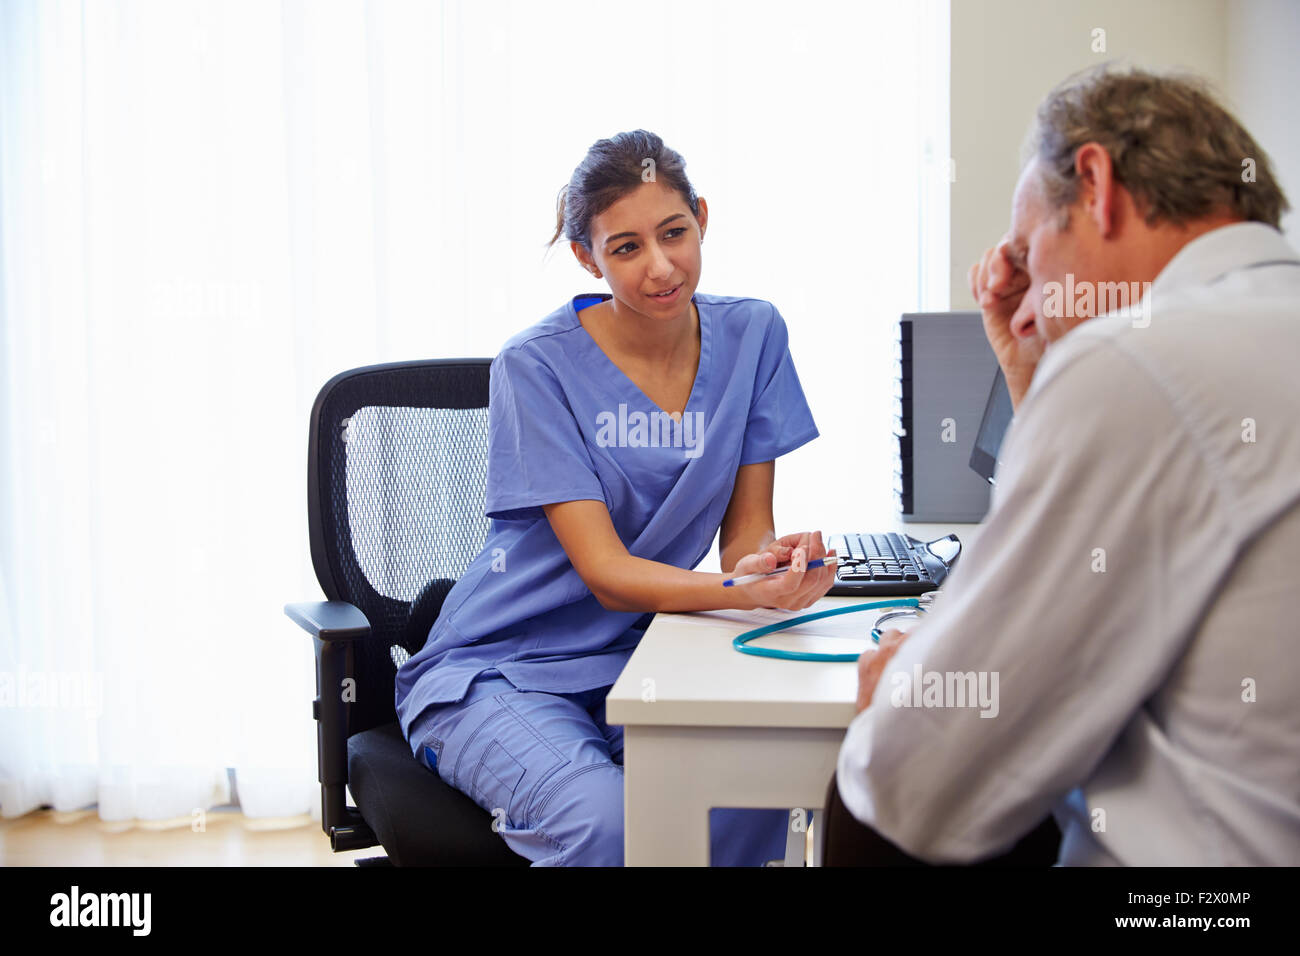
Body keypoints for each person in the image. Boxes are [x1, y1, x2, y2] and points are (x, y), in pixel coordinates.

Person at [832, 64, 1300, 865]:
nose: (1031, 296)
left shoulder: (1141, 360)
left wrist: (908, 687)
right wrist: (1033, 378)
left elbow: (920, 786)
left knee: (864, 796)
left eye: (1028, 249)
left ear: (1095, 182)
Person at [395, 129, 837, 866]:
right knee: (611, 828)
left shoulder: (753, 333)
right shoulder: (534, 366)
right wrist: (742, 591)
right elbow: (604, 571)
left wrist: (770, 568)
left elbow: (745, 533)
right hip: (496, 669)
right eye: (626, 248)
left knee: (768, 790)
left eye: (675, 233)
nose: (661, 267)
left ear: (702, 215)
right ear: (586, 257)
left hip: (642, 652)